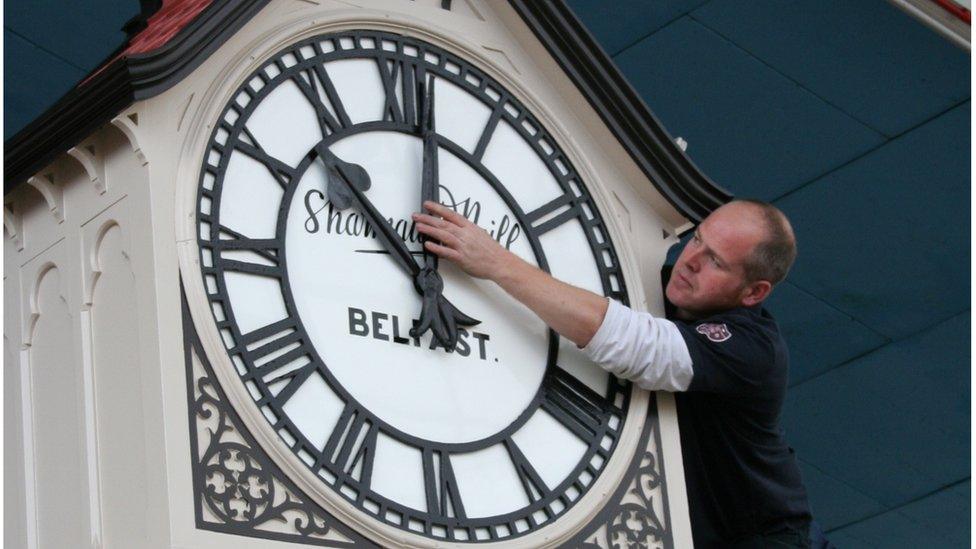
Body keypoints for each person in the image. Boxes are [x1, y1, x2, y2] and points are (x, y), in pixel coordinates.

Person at [412, 199, 813, 548]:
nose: (690, 261)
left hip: (762, 537)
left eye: (715, 261)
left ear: (754, 293)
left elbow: (638, 346)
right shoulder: (652, 280)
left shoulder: (753, 349)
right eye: (697, 240)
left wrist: (496, 262)